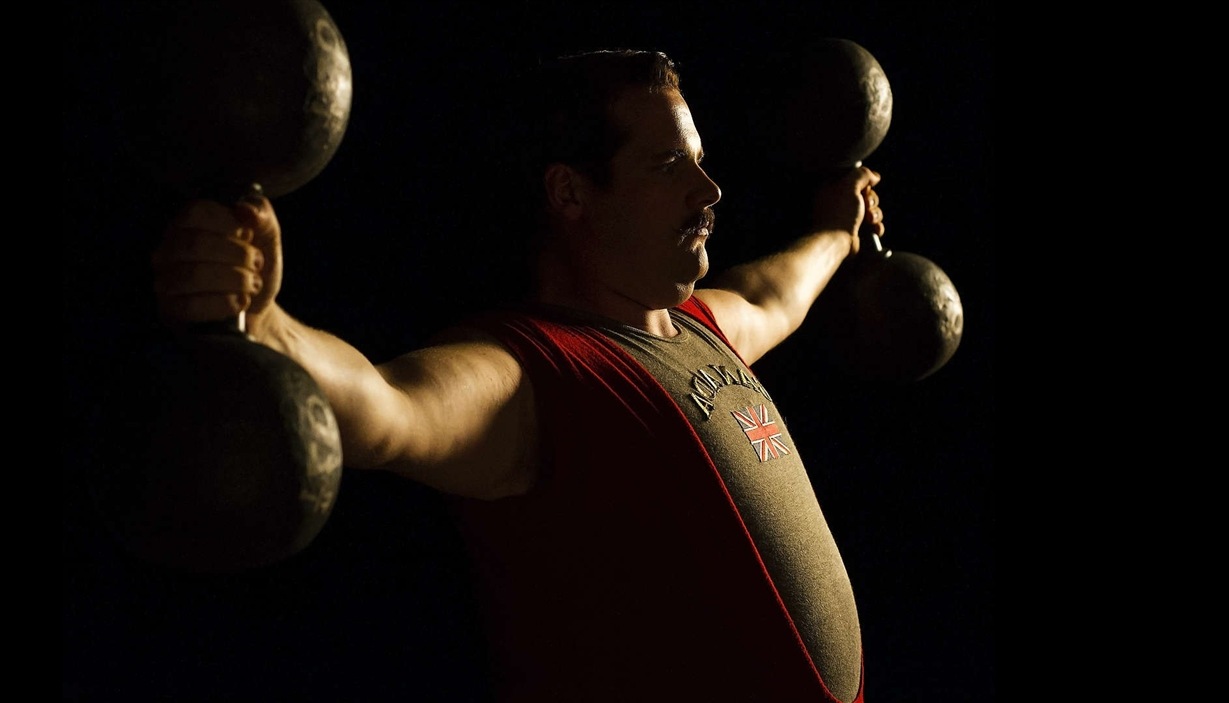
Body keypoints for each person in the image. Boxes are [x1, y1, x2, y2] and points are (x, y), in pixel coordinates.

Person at [152, 49, 884, 703]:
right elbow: (384, 406)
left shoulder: (702, 326)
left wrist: (837, 231)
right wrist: (266, 316)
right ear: (569, 193)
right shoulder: (534, 369)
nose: (708, 190)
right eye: (668, 167)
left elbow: (773, 293)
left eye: (698, 159)